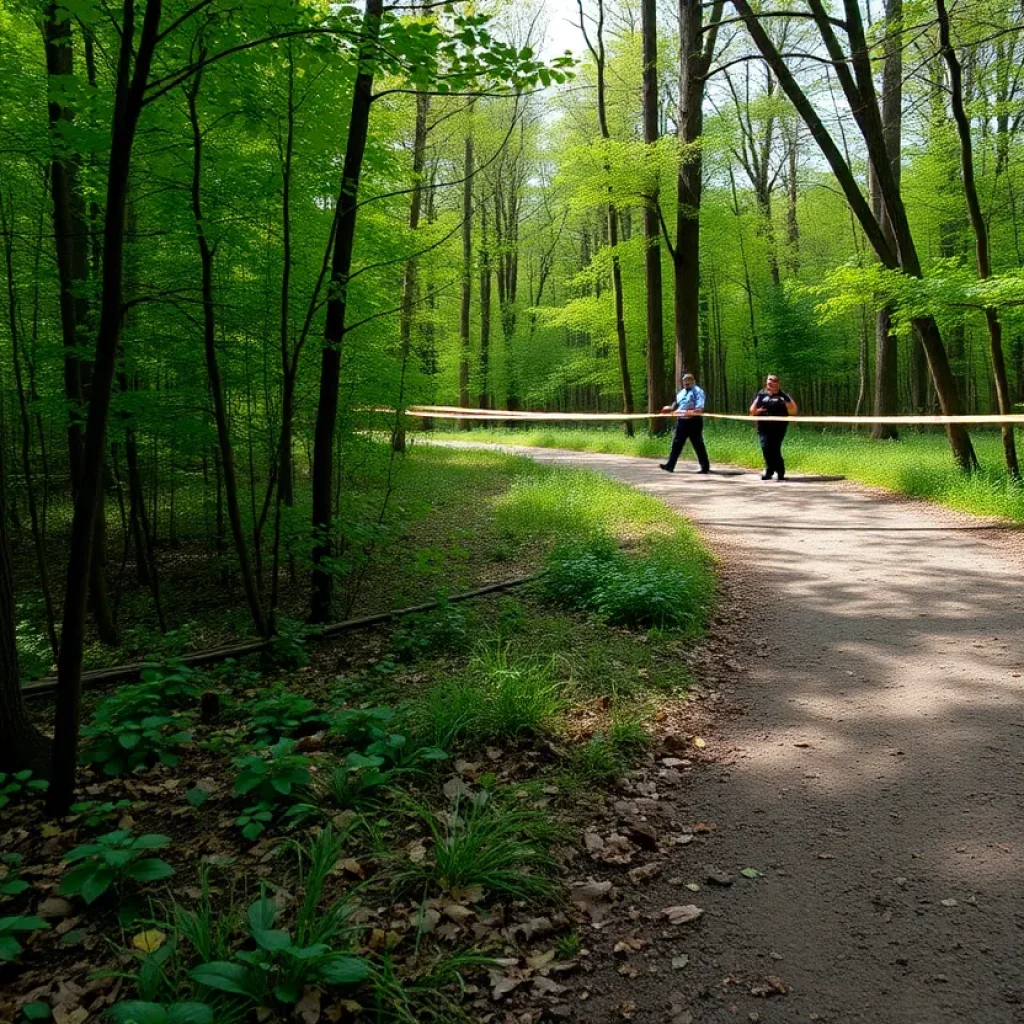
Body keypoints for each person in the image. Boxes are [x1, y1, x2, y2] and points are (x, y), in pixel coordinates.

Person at [659, 372, 710, 474]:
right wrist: (670, 408)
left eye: (688, 382)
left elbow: (700, 408)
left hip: (694, 421)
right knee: (677, 443)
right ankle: (670, 465)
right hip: (682, 421)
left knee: (697, 443)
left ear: (693, 381)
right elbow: (676, 404)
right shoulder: (681, 392)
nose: (686, 384)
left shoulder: (698, 392)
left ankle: (705, 467)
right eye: (685, 382)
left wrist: (694, 412)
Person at [750, 374, 797, 480]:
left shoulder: (784, 396)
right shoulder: (761, 394)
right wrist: (757, 411)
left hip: (779, 427)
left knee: (775, 448)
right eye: (769, 380)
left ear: (778, 383)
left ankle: (780, 471)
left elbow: (794, 410)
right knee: (765, 447)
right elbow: (752, 410)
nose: (770, 382)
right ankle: (769, 470)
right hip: (763, 426)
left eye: (774, 380)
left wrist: (786, 404)